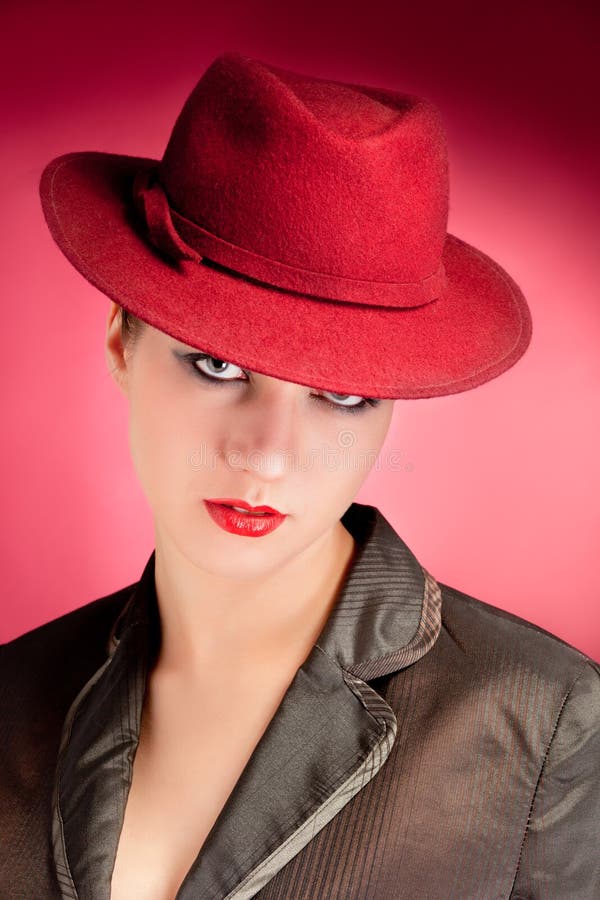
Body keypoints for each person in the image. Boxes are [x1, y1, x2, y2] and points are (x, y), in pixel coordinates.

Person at [1, 50, 598, 900]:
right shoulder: (12, 696)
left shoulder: (544, 726)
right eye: (214, 365)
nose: (269, 453)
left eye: (342, 394)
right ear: (118, 341)